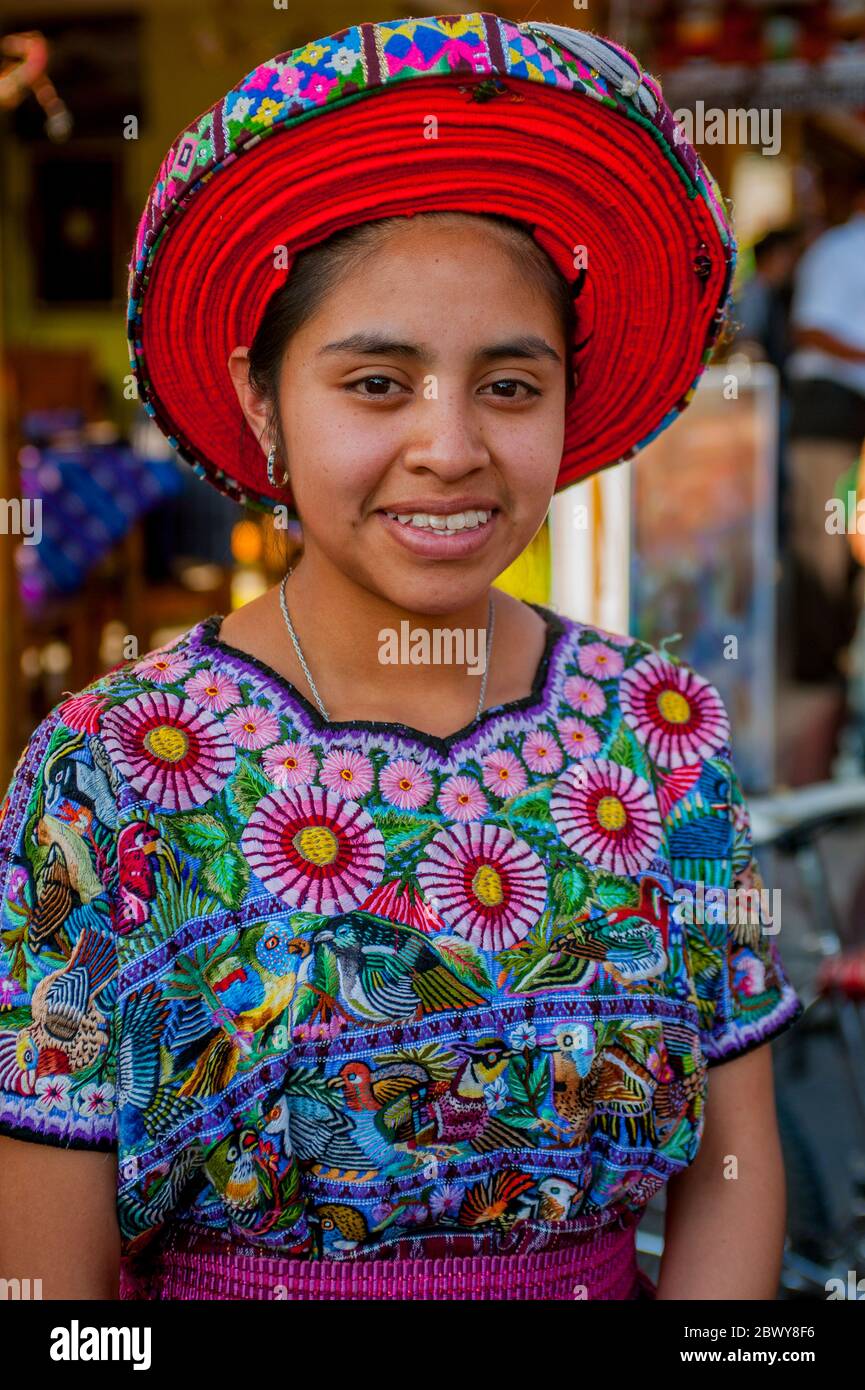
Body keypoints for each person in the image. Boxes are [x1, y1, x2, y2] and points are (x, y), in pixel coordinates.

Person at [0, 13, 803, 1301]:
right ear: (263, 401)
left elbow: (733, 1159)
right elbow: (49, 1292)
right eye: (375, 384)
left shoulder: (658, 728)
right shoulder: (105, 771)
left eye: (509, 384)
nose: (449, 448)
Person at [785, 170, 865, 691]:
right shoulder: (840, 250)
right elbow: (810, 326)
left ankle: (842, 659)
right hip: (830, 408)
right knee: (824, 538)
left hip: (852, 407)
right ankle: (818, 670)